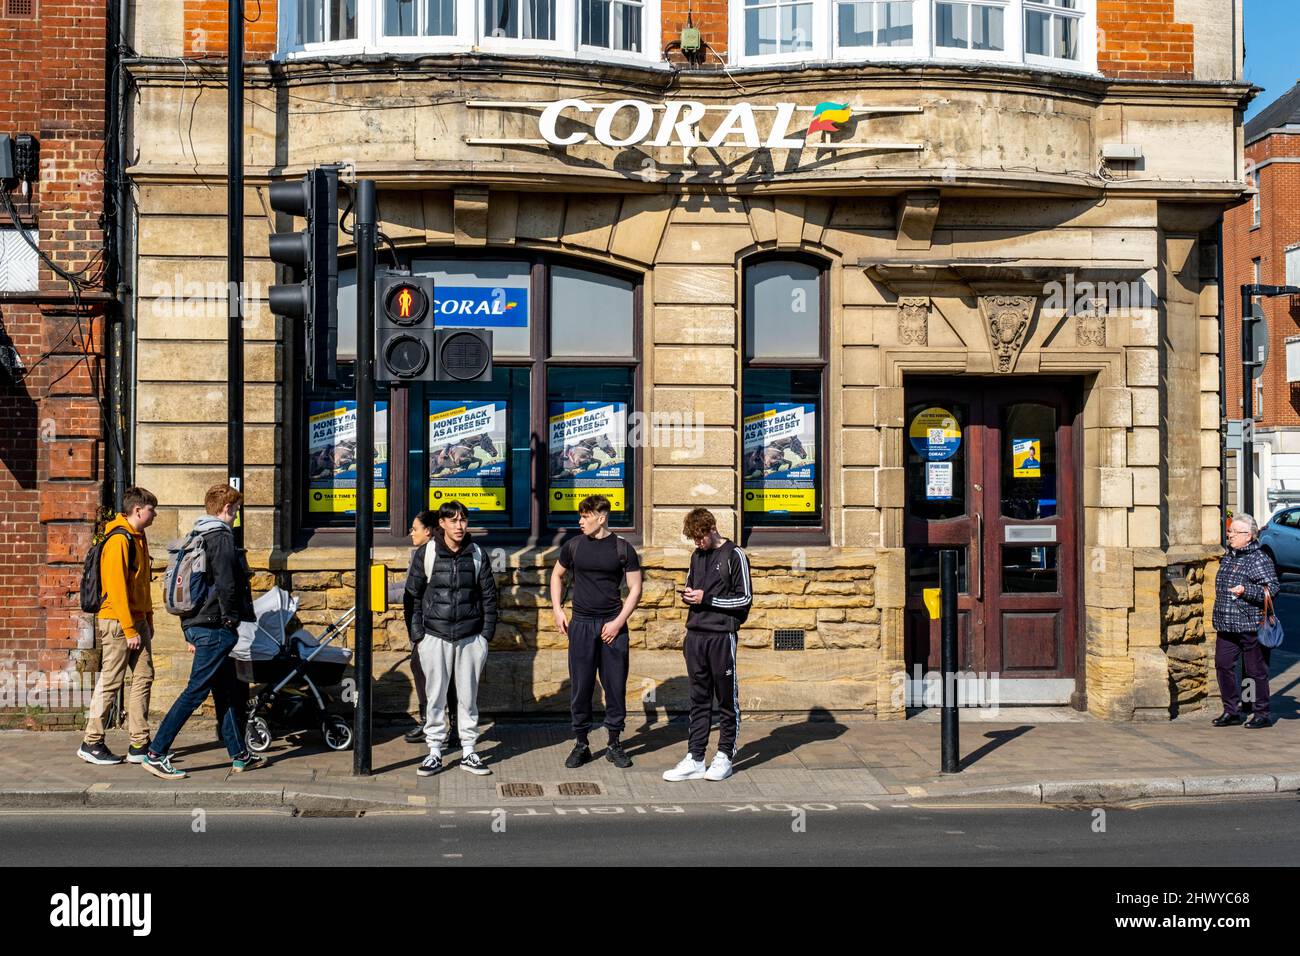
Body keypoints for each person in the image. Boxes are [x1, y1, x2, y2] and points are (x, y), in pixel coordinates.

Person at [142, 484, 261, 779]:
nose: (235, 516)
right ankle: (156, 753)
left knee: (226, 692)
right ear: (226, 509)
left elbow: (190, 588)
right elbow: (226, 583)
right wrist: (232, 618)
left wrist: (190, 630)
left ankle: (240, 755)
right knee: (195, 692)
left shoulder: (196, 535)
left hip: (198, 624)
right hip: (215, 626)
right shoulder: (220, 535)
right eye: (235, 510)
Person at [549, 494, 642, 770]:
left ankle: (614, 743)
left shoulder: (623, 549)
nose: (580, 522)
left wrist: (618, 623)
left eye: (585, 517)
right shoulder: (573, 546)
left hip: (613, 625)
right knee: (581, 686)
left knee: (615, 686)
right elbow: (557, 575)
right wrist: (557, 609)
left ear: (601, 518)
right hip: (581, 625)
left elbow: (636, 589)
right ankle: (581, 743)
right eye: (580, 517)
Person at [406, 500, 497, 776]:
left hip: (470, 638)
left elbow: (489, 597)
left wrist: (485, 636)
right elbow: (413, 596)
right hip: (435, 636)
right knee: (435, 696)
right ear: (442, 524)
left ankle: (469, 750)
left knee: (468, 697)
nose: (459, 526)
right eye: (453, 520)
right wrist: (418, 636)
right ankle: (435, 751)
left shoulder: (477, 554)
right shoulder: (427, 553)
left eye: (463, 520)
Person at [663, 508, 752, 782]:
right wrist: (690, 596)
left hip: (721, 636)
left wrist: (708, 598)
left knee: (726, 699)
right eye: (693, 539)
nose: (697, 543)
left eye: (700, 537)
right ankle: (696, 757)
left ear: (712, 528)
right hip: (696, 636)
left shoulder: (734, 555)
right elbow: (694, 588)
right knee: (698, 699)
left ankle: (725, 755)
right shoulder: (696, 556)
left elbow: (744, 598)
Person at [78, 487, 158, 766]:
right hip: (116, 621)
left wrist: (147, 617)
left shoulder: (139, 536)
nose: (155, 514)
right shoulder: (118, 540)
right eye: (151, 509)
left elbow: (141, 582)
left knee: (144, 676)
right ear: (138, 510)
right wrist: (129, 628)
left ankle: (139, 742)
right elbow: (116, 589)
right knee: (111, 680)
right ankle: (91, 741)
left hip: (136, 620)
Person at [1212, 513, 1279, 729]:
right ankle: (1232, 711)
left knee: (1255, 671)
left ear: (1248, 536)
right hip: (1226, 624)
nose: (1229, 535)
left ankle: (1261, 713)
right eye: (1229, 531)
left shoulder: (1258, 558)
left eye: (1234, 532)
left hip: (1250, 625)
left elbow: (1272, 588)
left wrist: (1246, 590)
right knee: (1223, 665)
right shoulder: (1230, 555)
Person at [402, 510, 458, 747]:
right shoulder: (424, 553)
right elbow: (409, 590)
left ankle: (441, 726)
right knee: (425, 670)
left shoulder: (435, 553)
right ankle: (434, 724)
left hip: (435, 629)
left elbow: (416, 594)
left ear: (428, 530)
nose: (410, 533)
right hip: (426, 629)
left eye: (414, 528)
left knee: (447, 677)